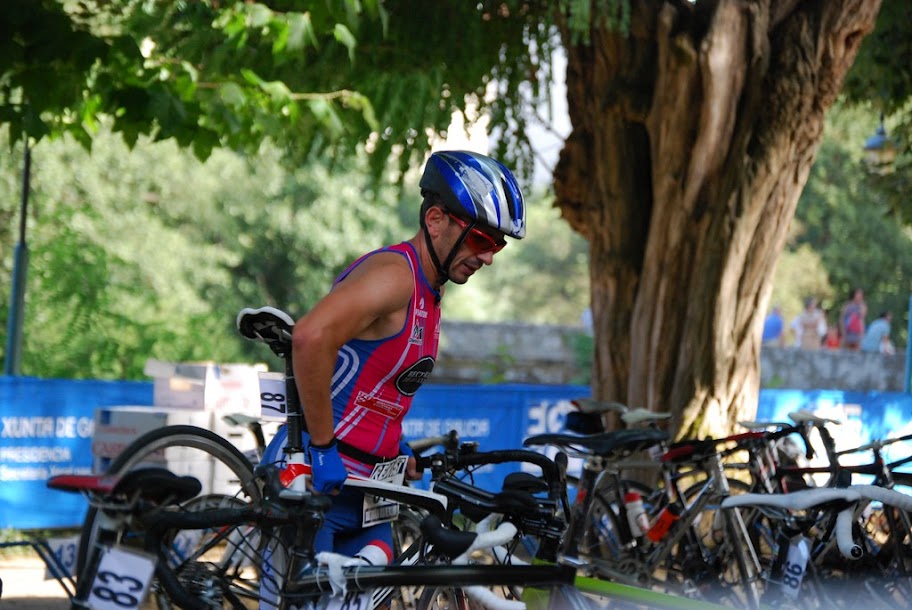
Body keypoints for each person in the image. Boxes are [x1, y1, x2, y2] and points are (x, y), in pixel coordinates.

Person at [286, 150, 526, 558]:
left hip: (370, 492)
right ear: (435, 220)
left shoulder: (431, 289)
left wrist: (394, 446)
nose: (487, 257)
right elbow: (309, 338)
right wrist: (323, 448)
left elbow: (374, 380)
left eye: (497, 247)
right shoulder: (395, 275)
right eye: (481, 239)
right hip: (320, 482)